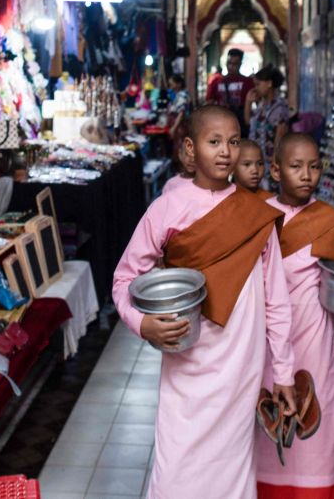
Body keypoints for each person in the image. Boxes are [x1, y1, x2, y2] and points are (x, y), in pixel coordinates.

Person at [113, 105, 297, 499]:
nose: (225, 152)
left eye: (232, 142)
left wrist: (283, 371)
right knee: (178, 463)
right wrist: (142, 323)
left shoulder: (255, 214)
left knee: (232, 463)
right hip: (187, 359)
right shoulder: (167, 208)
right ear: (189, 150)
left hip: (240, 364)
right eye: (214, 142)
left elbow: (278, 302)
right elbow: (124, 279)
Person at [257, 133, 334, 498]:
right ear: (276, 170)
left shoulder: (330, 219)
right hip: (265, 334)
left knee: (313, 413)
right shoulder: (256, 216)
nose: (306, 175)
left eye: (313, 167)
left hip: (312, 332)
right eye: (296, 167)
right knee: (267, 414)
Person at [247, 66, 292, 190]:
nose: (256, 88)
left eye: (258, 84)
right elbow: (249, 122)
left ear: (269, 84)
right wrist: (248, 102)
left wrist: (274, 162)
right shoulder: (262, 105)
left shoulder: (279, 107)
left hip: (269, 163)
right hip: (258, 161)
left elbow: (280, 135)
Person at [206, 48, 254, 129]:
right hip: (220, 122)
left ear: (240, 64)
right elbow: (209, 103)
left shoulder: (248, 82)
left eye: (234, 64)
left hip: (240, 124)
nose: (230, 66)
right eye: (229, 63)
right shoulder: (216, 81)